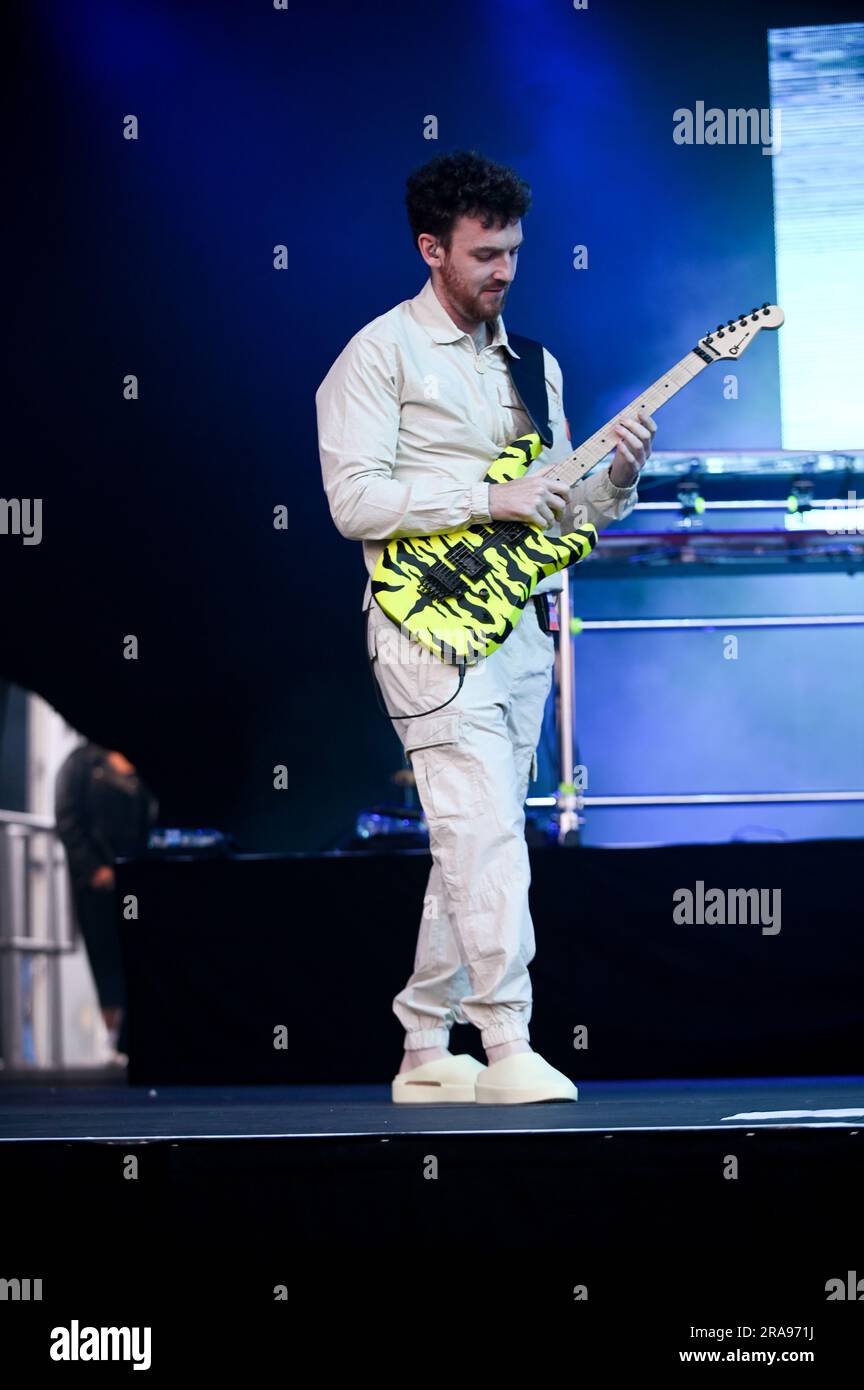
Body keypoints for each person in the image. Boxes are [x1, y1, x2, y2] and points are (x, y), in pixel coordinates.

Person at [316, 150, 656, 1103]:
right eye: (482, 253)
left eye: (512, 251)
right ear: (432, 250)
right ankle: (508, 1041)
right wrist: (485, 494)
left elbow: (559, 515)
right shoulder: (375, 355)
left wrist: (618, 479)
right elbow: (353, 501)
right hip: (422, 626)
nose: (503, 270)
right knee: (484, 831)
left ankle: (425, 1044)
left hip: (515, 629)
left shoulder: (533, 364)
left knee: (477, 832)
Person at [54, 743, 159, 1063]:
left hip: (137, 875)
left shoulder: (139, 766)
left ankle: (133, 1037)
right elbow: (68, 816)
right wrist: (92, 868)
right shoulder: (82, 763)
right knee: (105, 953)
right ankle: (113, 1037)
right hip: (97, 880)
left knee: (139, 952)